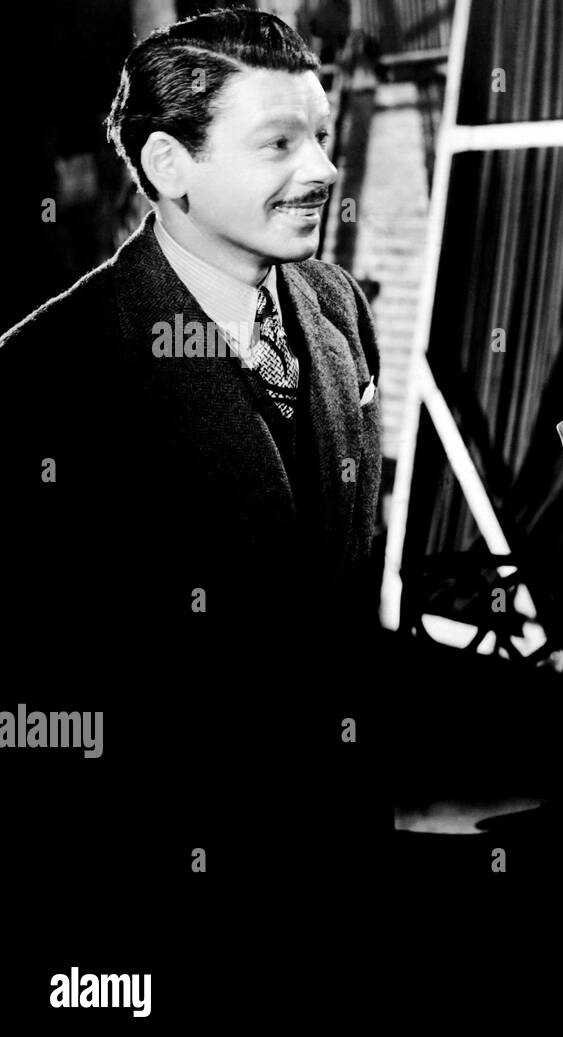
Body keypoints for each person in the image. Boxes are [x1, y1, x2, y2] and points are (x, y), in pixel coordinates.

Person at [0, 9, 382, 889]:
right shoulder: (51, 371)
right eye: (279, 144)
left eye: (321, 138)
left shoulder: (335, 305)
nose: (322, 171)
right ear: (170, 165)